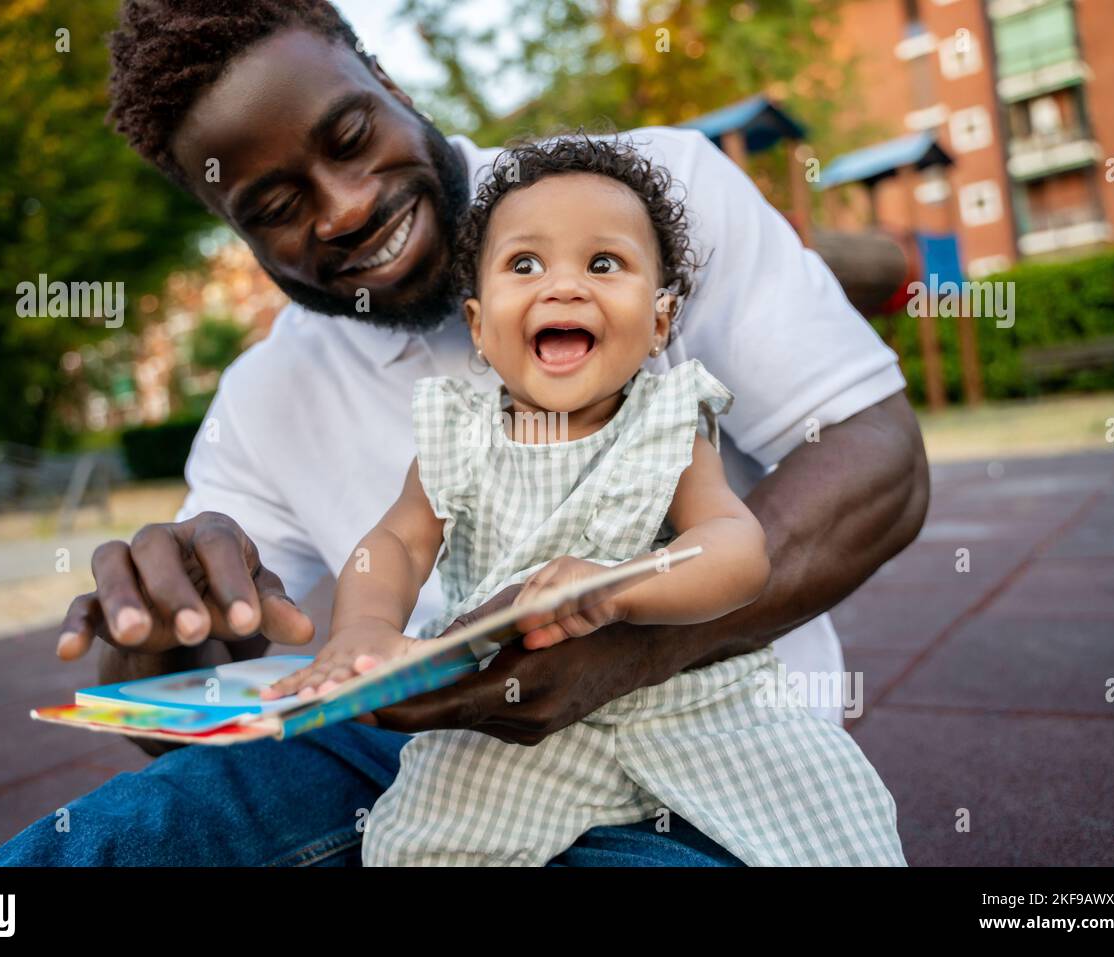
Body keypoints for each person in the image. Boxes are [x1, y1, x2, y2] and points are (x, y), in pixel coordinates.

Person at [0, 0, 928, 867]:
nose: (344, 207)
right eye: (273, 208)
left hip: (696, 765)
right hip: (433, 767)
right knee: (109, 842)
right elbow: (373, 560)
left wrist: (631, 628)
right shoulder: (287, 397)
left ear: (388, 84)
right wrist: (167, 632)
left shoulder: (649, 205)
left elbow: (869, 461)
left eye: (351, 137)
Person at [263, 135, 905, 866]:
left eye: (604, 263)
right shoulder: (457, 433)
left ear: (660, 320)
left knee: (837, 823)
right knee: (413, 846)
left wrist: (622, 587)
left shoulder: (668, 420)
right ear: (478, 326)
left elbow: (738, 548)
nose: (562, 287)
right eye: (525, 264)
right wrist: (365, 628)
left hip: (698, 703)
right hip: (511, 724)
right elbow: (398, 544)